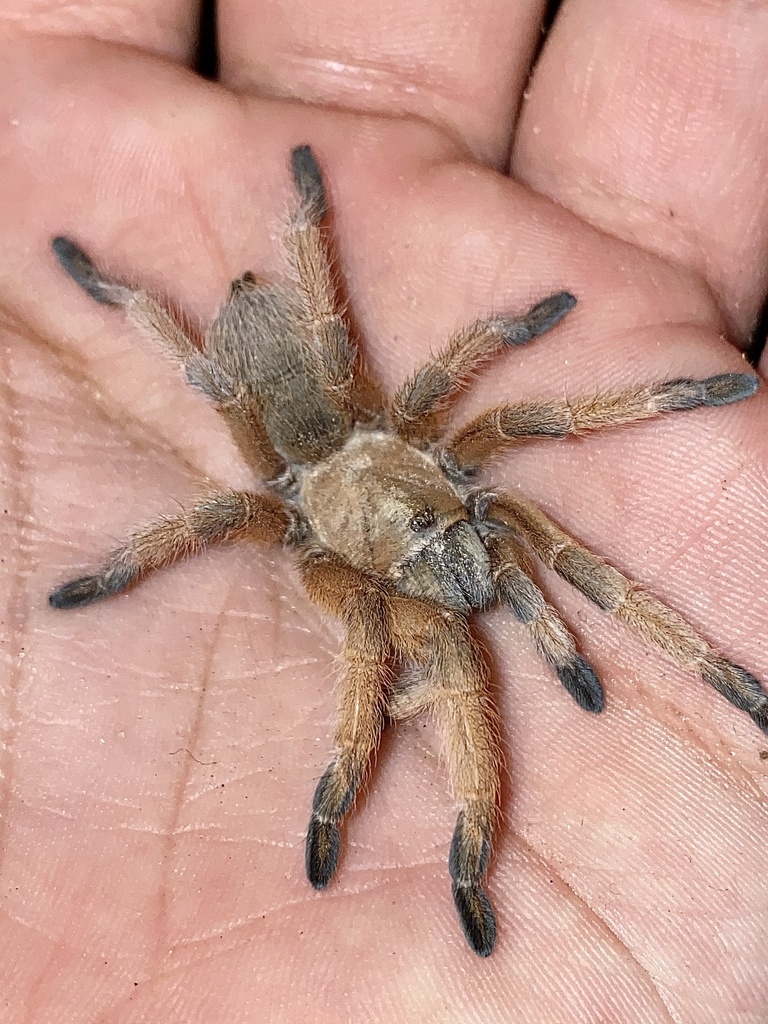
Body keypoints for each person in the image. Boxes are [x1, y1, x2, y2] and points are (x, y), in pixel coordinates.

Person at [2, 1, 766, 1019]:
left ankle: (721, 673)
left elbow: (500, 373)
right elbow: (351, 621)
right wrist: (349, 760)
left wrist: (615, 379)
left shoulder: (448, 454)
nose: (453, 564)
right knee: (289, 481)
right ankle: (454, 842)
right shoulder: (331, 561)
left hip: (376, 447)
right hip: (306, 458)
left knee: (552, 487)